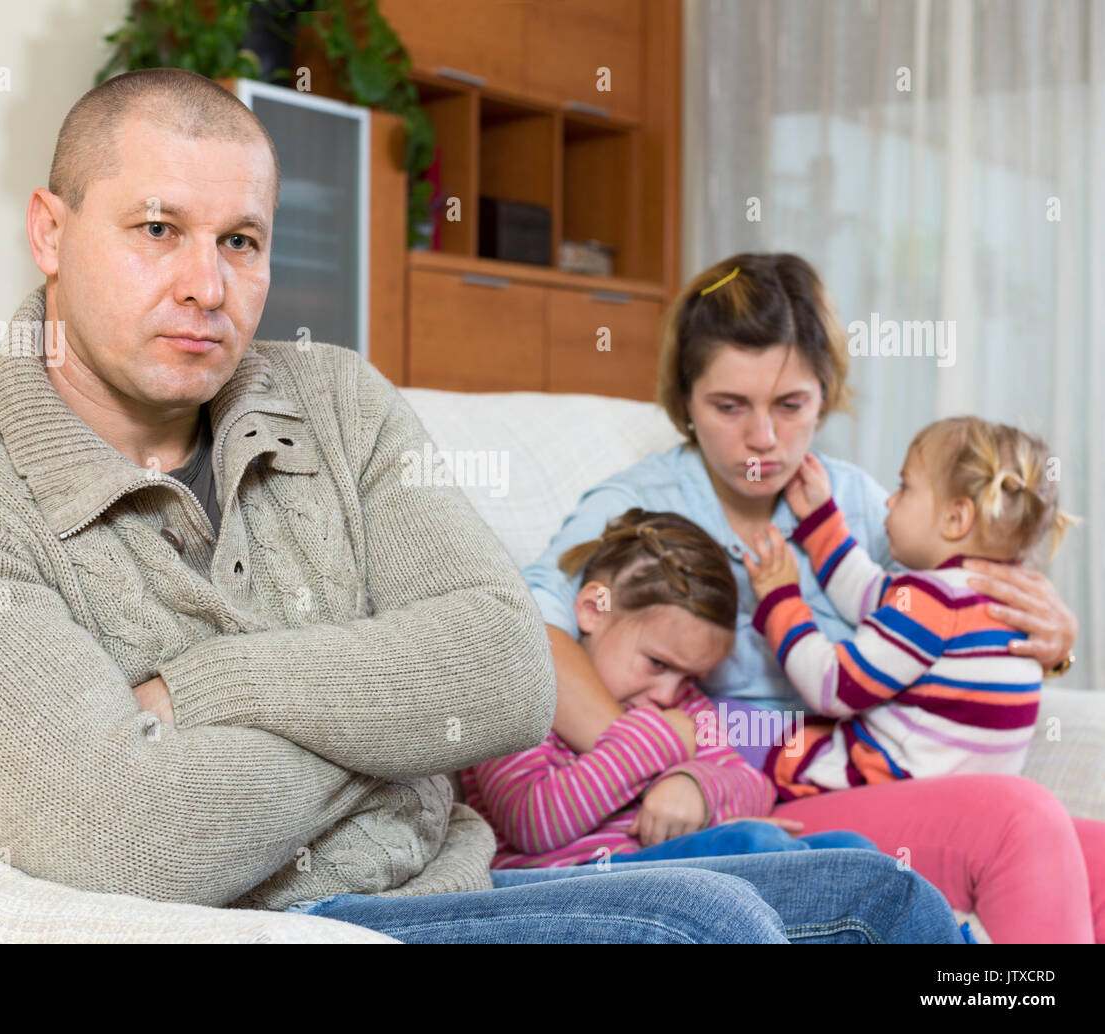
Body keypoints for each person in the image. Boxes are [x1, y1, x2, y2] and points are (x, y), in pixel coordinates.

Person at [0, 71, 966, 944]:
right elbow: (127, 830)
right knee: (705, 928)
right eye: (157, 228)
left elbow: (506, 674)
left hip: (462, 878)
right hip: (300, 924)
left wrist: (209, 692)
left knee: (882, 892)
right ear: (51, 232)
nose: (207, 285)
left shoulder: (336, 400)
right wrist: (399, 710)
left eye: (242, 241)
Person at [524, 252, 1099, 943]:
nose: (763, 439)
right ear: (685, 400)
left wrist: (1048, 644)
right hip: (764, 791)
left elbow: (946, 615)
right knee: (1020, 821)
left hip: (877, 776)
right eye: (729, 406)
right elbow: (527, 632)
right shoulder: (636, 504)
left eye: (791, 405)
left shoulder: (858, 502)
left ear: (826, 393)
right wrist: (666, 761)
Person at [461, 508, 879, 867]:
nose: (666, 694)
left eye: (690, 677)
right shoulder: (517, 691)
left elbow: (755, 787)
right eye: (657, 663)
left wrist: (694, 784)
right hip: (563, 882)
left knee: (853, 853)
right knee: (754, 845)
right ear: (593, 610)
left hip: (664, 866)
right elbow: (535, 822)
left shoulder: (684, 704)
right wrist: (663, 741)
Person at [745, 421, 1081, 797]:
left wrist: (781, 601)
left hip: (878, 792)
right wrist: (822, 521)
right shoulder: (1004, 598)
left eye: (904, 487)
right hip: (970, 804)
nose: (889, 501)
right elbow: (869, 593)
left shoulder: (934, 602)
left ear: (956, 519)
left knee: (763, 742)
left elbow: (833, 687)